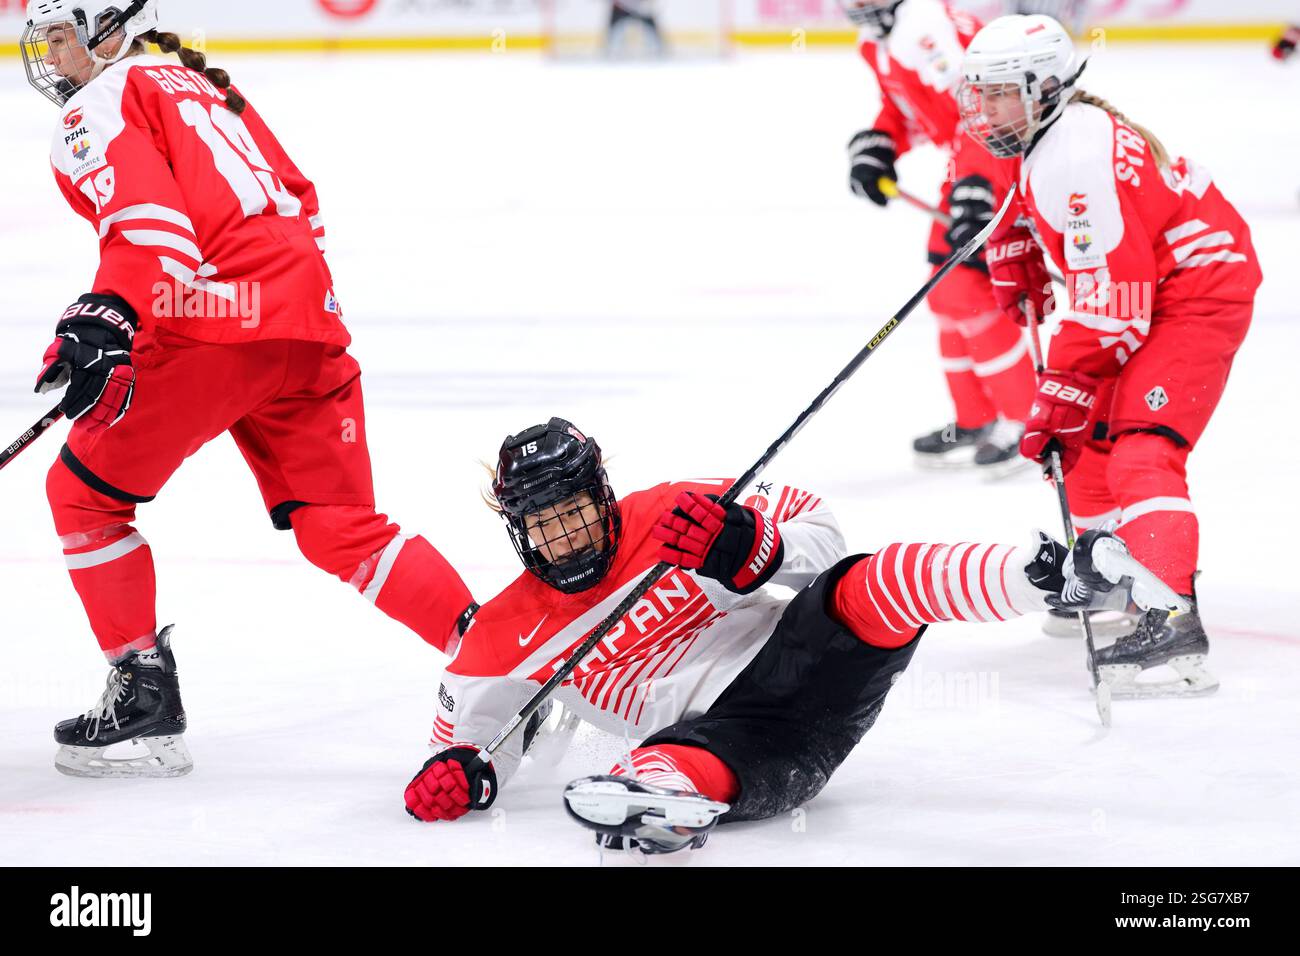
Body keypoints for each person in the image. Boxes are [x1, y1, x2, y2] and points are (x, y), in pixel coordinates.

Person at [21, 0, 475, 777]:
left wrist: (111, 316)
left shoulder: (101, 102)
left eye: (63, 37)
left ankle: (141, 705)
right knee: (342, 526)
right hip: (307, 319)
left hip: (212, 326)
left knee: (83, 494)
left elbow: (152, 226)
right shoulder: (206, 85)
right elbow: (300, 201)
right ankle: (501, 652)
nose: (53, 59)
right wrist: (283, 303)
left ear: (108, 28)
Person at [402, 417, 1181, 853]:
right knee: (665, 759)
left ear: (601, 493)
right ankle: (664, 801)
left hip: (804, 663)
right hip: (737, 739)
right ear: (517, 532)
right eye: (543, 524)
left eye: (574, 510)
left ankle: (1056, 577)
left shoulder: (675, 508)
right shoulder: (501, 634)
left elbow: (819, 529)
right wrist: (468, 775)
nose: (566, 536)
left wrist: (751, 547)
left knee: (866, 579)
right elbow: (474, 735)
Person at [957, 14, 1262, 695]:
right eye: (979, 93)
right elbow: (1035, 202)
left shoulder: (1078, 153)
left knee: (1142, 446)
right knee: (1088, 436)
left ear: (1046, 87)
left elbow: (1114, 307)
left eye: (1001, 92)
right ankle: (1106, 576)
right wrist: (1015, 244)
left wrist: (1060, 387)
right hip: (1157, 288)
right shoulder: (1050, 136)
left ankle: (1168, 616)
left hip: (1197, 292)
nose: (986, 108)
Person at [839, 0, 1036, 474]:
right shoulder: (884, 40)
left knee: (969, 293)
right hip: (971, 163)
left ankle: (1029, 421)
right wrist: (880, 142)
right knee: (949, 297)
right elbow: (911, 107)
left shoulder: (924, 27)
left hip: (1003, 158)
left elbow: (985, 109)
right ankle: (978, 418)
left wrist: (980, 182)